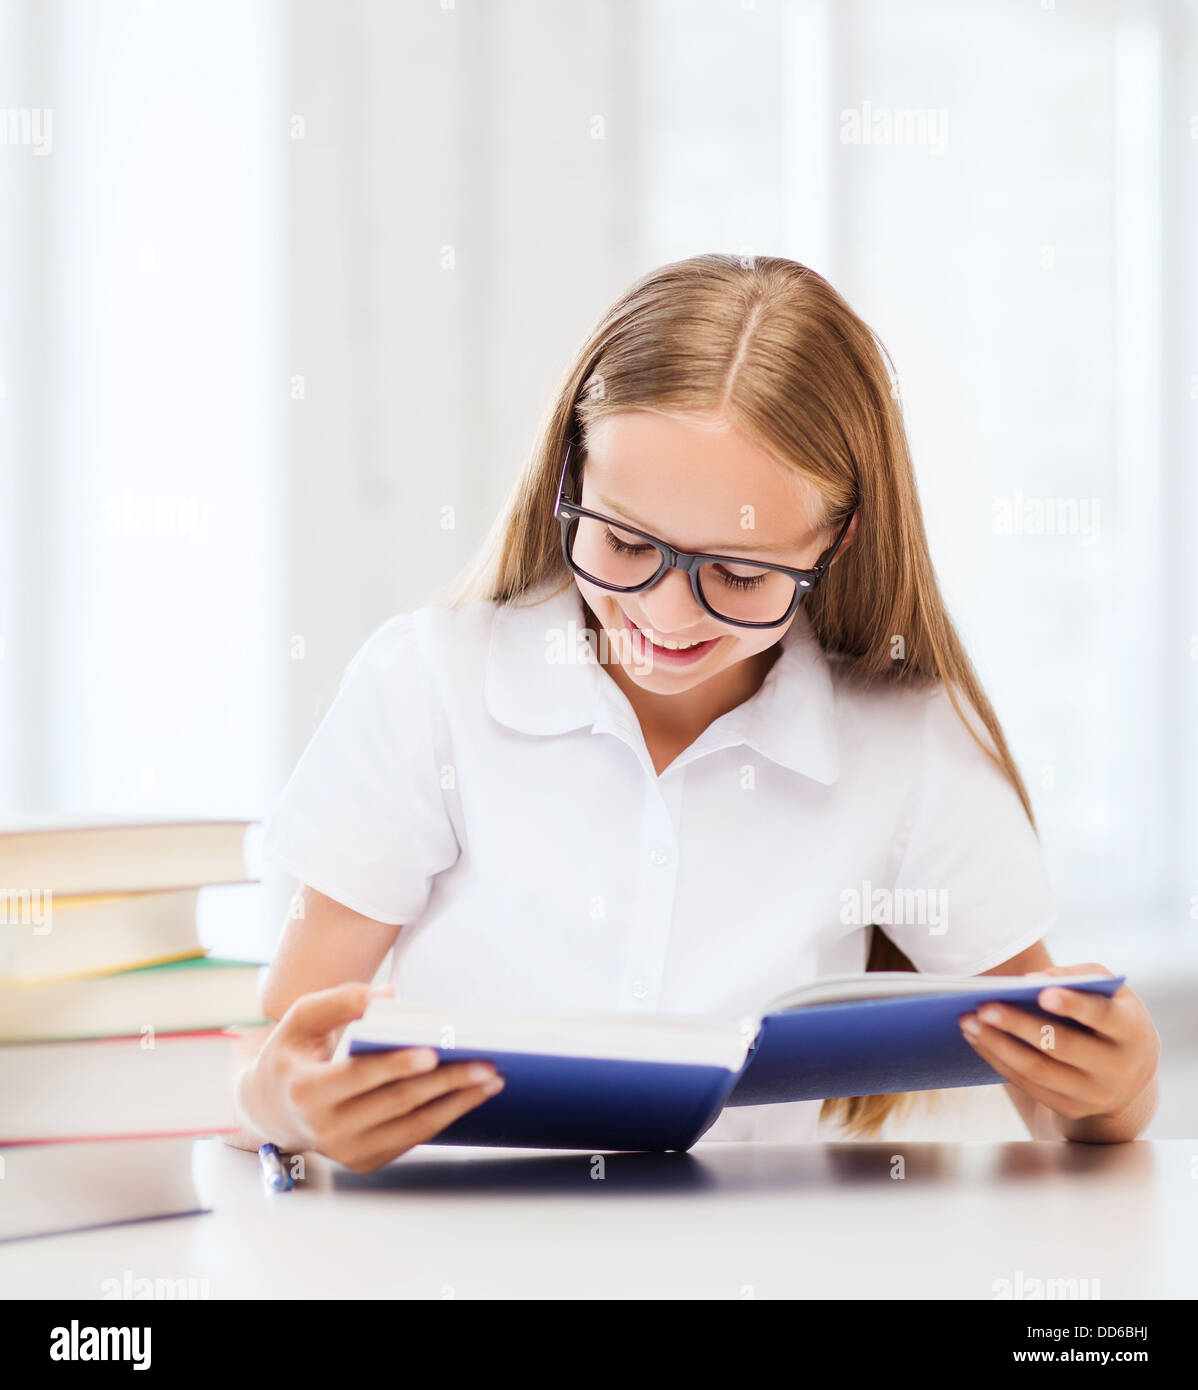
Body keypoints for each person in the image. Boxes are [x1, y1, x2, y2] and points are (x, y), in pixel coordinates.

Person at [230, 254, 1159, 1173]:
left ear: (838, 542)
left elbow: (1056, 1095)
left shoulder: (906, 743)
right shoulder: (429, 685)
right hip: (457, 1243)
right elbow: (267, 1061)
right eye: (627, 543)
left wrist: (1116, 1089)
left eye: (741, 574)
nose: (667, 616)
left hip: (757, 1250)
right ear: (569, 479)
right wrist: (284, 1106)